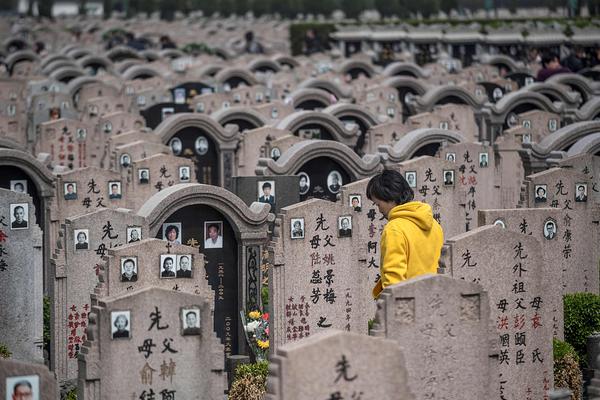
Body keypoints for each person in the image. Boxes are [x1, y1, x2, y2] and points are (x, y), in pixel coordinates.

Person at [366, 169, 444, 299]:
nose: (379, 210)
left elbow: (394, 282)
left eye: (378, 204)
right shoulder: (434, 224)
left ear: (389, 198)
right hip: (435, 300)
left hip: (409, 306)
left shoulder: (394, 229)